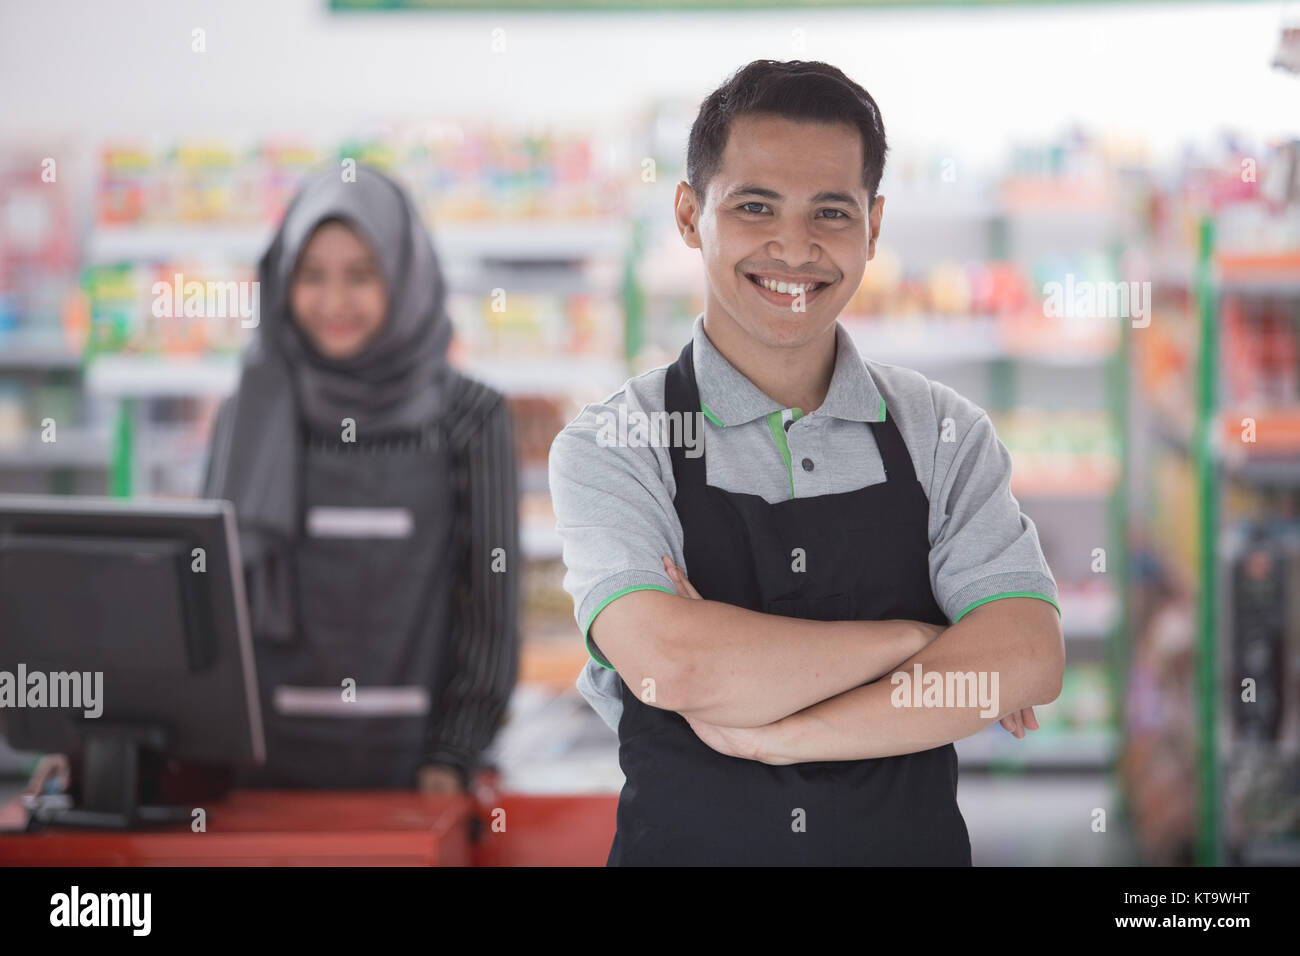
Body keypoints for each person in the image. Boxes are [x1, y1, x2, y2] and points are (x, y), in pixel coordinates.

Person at [549, 60, 1064, 865]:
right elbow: (670, 666)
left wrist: (781, 733)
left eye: (831, 211)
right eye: (755, 206)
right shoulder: (617, 442)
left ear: (874, 226)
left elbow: (1029, 656)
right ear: (690, 216)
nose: (795, 247)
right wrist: (914, 640)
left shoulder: (941, 432)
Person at [198, 164, 520, 793]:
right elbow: (204, 600)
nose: (334, 302)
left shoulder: (469, 417)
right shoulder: (251, 411)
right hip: (256, 775)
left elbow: (488, 604)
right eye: (311, 276)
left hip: (411, 773)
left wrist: (452, 754)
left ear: (405, 279)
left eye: (361, 275)